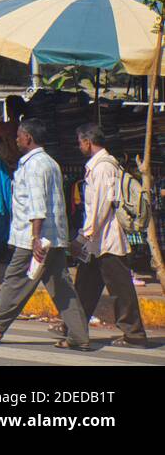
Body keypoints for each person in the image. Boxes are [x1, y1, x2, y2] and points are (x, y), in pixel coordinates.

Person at [0, 119, 91, 350]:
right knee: (62, 287)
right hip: (53, 237)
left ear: (28, 138)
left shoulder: (34, 166)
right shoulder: (50, 163)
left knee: (14, 280)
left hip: (34, 239)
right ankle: (79, 335)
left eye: (19, 136)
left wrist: (35, 238)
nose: (15, 140)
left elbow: (37, 206)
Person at [61, 124, 149, 346]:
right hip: (98, 241)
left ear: (88, 142)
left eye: (80, 142)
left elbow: (99, 207)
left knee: (121, 289)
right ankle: (73, 328)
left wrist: (83, 237)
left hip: (106, 239)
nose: (79, 146)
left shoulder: (102, 168)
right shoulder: (103, 165)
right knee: (85, 287)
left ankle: (134, 333)